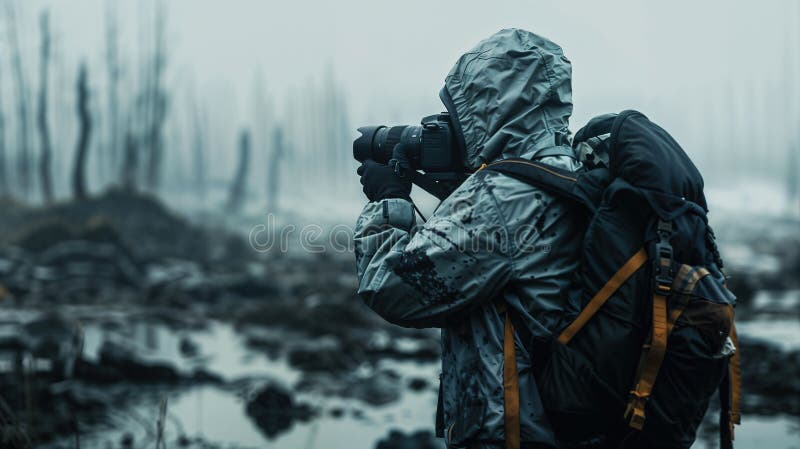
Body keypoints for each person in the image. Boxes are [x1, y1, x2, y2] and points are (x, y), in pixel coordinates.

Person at [354, 29, 582, 449]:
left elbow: (391, 287)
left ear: (489, 107)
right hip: (564, 425)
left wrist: (388, 200)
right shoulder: (566, 173)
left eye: (459, 112)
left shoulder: (502, 197)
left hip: (515, 434)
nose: (451, 126)